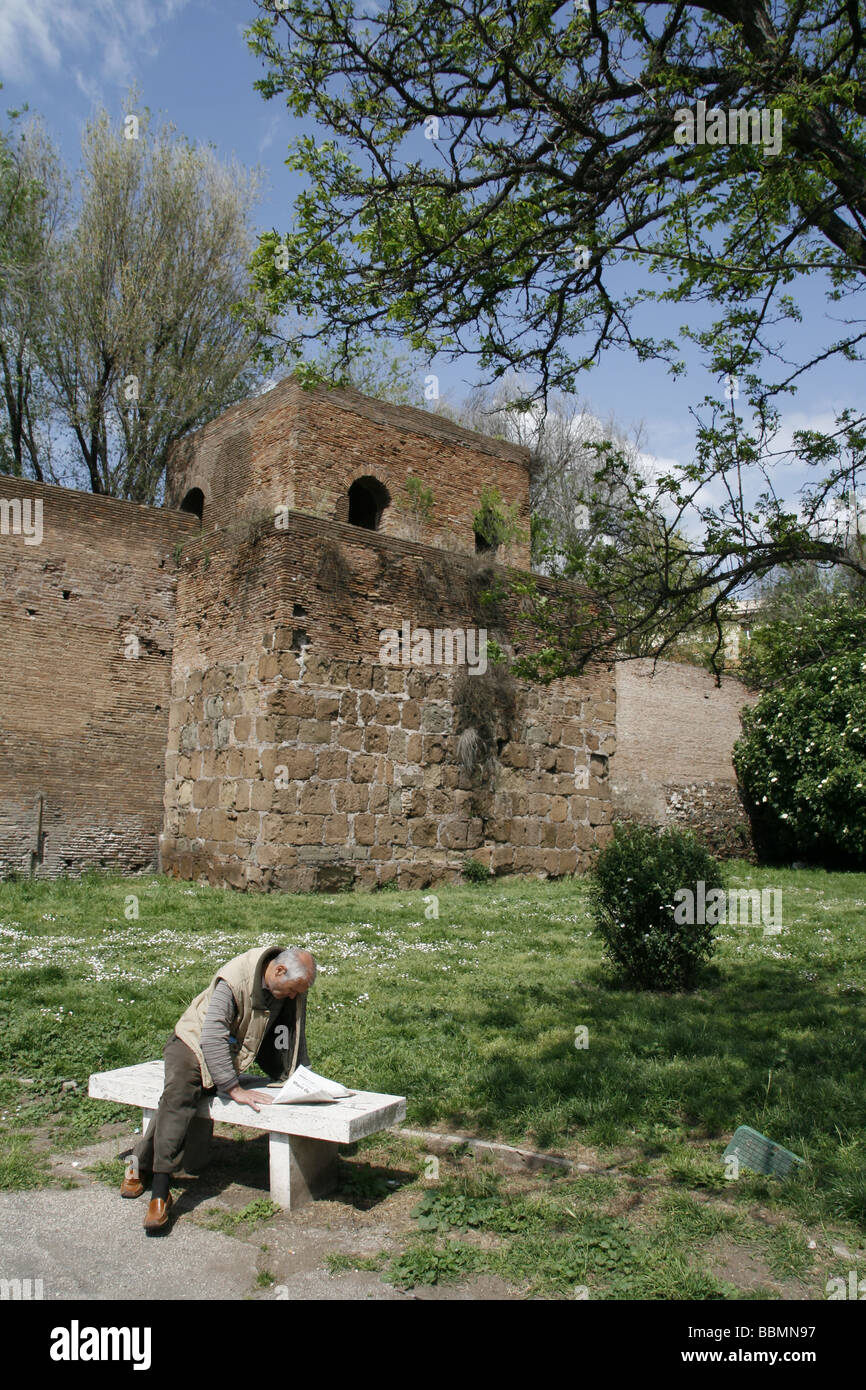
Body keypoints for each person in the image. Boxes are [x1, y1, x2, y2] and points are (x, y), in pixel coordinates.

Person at [121, 944, 316, 1232]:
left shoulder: (290, 986)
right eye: (292, 989)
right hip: (192, 1042)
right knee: (179, 1097)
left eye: (298, 991)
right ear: (278, 970)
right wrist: (233, 1088)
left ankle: (136, 1167)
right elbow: (211, 1036)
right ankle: (160, 1193)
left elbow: (290, 1032)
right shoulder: (234, 979)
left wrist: (304, 1077)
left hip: (228, 1051)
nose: (294, 996)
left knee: (183, 1101)